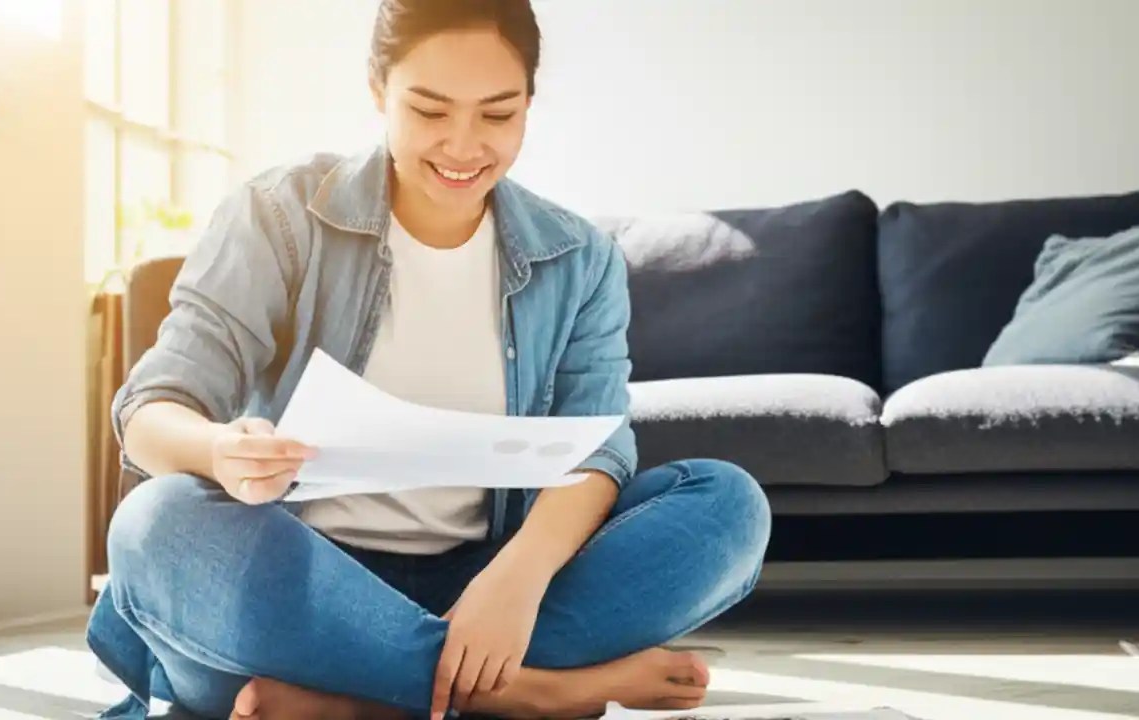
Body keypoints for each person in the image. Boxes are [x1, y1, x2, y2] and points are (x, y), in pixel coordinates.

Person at [85, 1, 771, 718]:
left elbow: (597, 447)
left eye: (498, 115)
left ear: (530, 104)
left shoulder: (579, 258)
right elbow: (150, 413)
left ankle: (352, 704)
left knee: (725, 505)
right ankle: (526, 694)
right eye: (430, 110)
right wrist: (223, 448)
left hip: (488, 587)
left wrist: (518, 579)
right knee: (155, 525)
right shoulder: (279, 215)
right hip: (302, 583)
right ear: (379, 90)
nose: (463, 145)